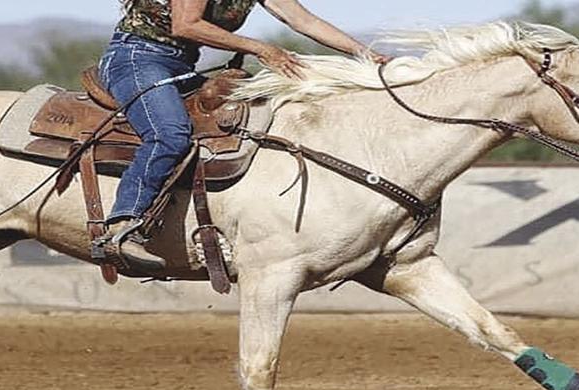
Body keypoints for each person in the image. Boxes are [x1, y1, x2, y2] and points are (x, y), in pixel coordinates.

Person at [97, 1, 388, 257]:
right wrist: (261, 48)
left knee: (238, 126)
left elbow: (304, 20)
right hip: (137, 58)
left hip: (183, 65)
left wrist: (365, 54)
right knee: (169, 133)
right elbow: (186, 24)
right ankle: (122, 224)